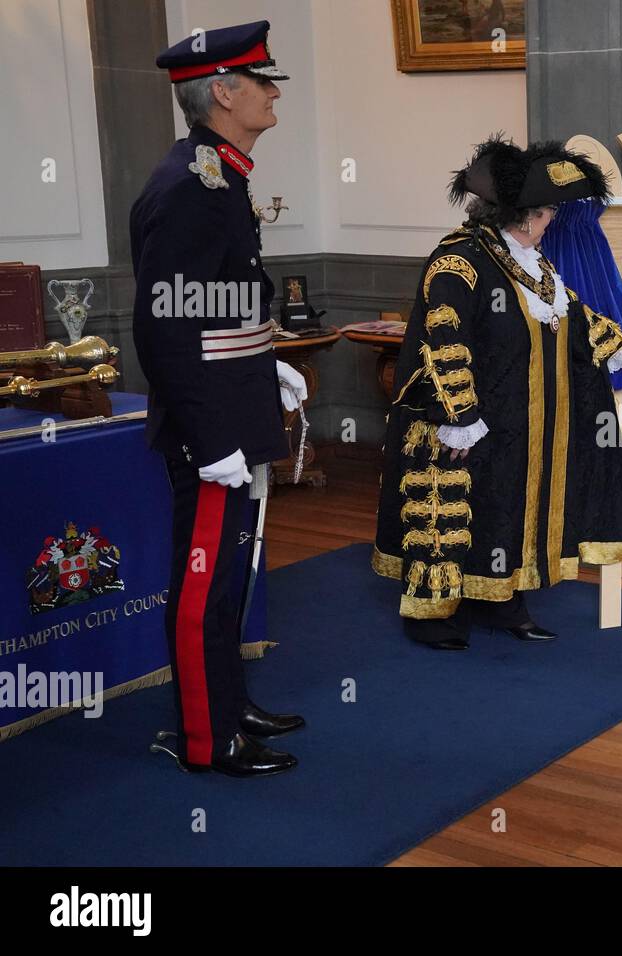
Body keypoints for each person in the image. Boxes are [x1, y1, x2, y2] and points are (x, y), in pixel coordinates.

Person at [372, 137, 622, 649]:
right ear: (523, 216)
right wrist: (458, 414)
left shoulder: (526, 259)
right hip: (464, 416)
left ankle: (499, 599)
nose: (550, 224)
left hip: (516, 415)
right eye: (545, 215)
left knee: (503, 505)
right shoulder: (459, 260)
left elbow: (566, 310)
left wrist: (615, 345)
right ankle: (431, 616)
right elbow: (441, 336)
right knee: (449, 513)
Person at [131, 20, 307, 776]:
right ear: (224, 93)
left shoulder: (220, 175)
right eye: (262, 81)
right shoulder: (191, 186)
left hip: (235, 403)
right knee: (204, 577)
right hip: (212, 428)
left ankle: (230, 700)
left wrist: (263, 366)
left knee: (232, 569)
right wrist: (209, 440)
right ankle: (207, 738)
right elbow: (164, 329)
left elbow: (217, 307)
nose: (273, 92)